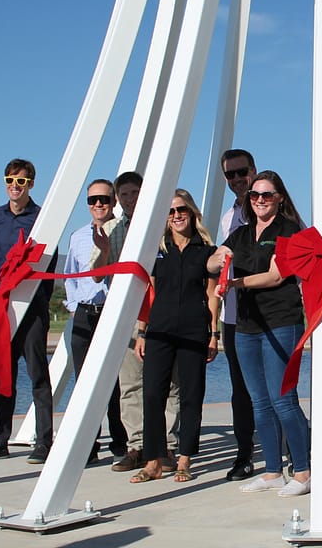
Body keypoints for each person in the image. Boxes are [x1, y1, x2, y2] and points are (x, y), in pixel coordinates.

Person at [208, 170, 312, 497]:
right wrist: (218, 257)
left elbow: (276, 275)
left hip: (281, 320)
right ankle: (272, 471)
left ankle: (304, 470)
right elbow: (212, 262)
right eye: (255, 195)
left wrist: (237, 283)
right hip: (247, 325)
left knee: (284, 400)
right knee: (259, 402)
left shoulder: (290, 231)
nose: (260, 200)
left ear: (279, 197)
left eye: (267, 195)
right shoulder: (240, 233)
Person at [129, 189, 220, 483]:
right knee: (153, 394)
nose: (176, 215)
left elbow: (212, 295)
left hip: (194, 331)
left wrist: (214, 334)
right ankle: (154, 461)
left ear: (192, 213)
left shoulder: (206, 251)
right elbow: (149, 293)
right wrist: (142, 331)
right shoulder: (158, 250)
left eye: (181, 210)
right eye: (170, 212)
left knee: (191, 396)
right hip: (159, 330)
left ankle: (184, 460)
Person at [0, 158, 57, 464]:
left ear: (31, 184)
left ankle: (44, 441)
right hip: (2, 304)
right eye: (9, 180)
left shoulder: (42, 217)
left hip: (32, 306)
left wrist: (39, 300)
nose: (14, 187)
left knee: (37, 375)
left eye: (20, 182)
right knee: (2, 373)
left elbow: (50, 259)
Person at [94, 171, 180, 473]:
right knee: (130, 383)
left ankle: (167, 445)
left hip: (163, 309)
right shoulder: (113, 230)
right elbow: (98, 273)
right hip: (128, 313)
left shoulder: (164, 224)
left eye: (135, 193)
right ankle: (137, 445)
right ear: (119, 199)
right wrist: (105, 251)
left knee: (168, 382)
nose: (131, 199)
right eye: (125, 195)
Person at [63, 178, 127, 464]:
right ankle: (88, 441)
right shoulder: (77, 237)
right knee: (83, 382)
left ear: (114, 201)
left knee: (116, 381)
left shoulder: (123, 232)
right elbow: (71, 274)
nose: (98, 204)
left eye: (103, 199)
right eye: (92, 200)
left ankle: (120, 439)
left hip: (112, 312)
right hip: (85, 314)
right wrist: (74, 305)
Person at [215, 149, 258, 481]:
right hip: (234, 316)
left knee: (274, 390)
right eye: (230, 175)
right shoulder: (228, 218)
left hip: (271, 313)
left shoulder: (271, 208)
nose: (236, 180)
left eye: (241, 172)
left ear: (253, 170)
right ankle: (244, 454)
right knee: (240, 390)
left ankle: (288, 453)